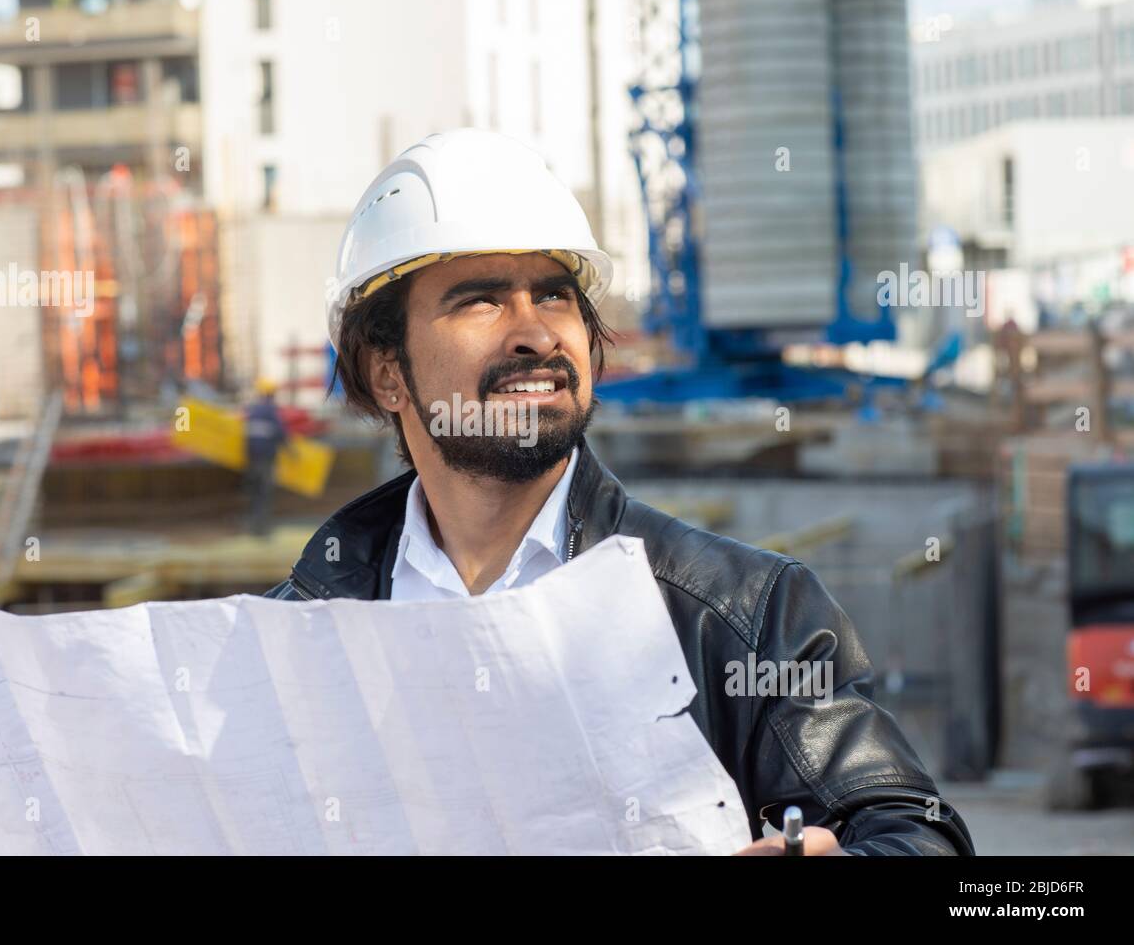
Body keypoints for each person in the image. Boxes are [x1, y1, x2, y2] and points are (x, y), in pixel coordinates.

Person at [266, 129, 974, 856]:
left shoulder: (741, 615)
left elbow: (914, 835)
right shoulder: (297, 634)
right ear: (388, 372)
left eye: (553, 295)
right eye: (480, 301)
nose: (535, 334)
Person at [244, 377, 287, 537]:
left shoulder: (253, 410)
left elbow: (248, 436)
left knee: (255, 493)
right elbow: (280, 433)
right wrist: (291, 451)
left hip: (253, 457)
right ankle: (263, 531)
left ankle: (253, 528)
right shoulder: (270, 410)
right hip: (265, 458)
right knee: (265, 492)